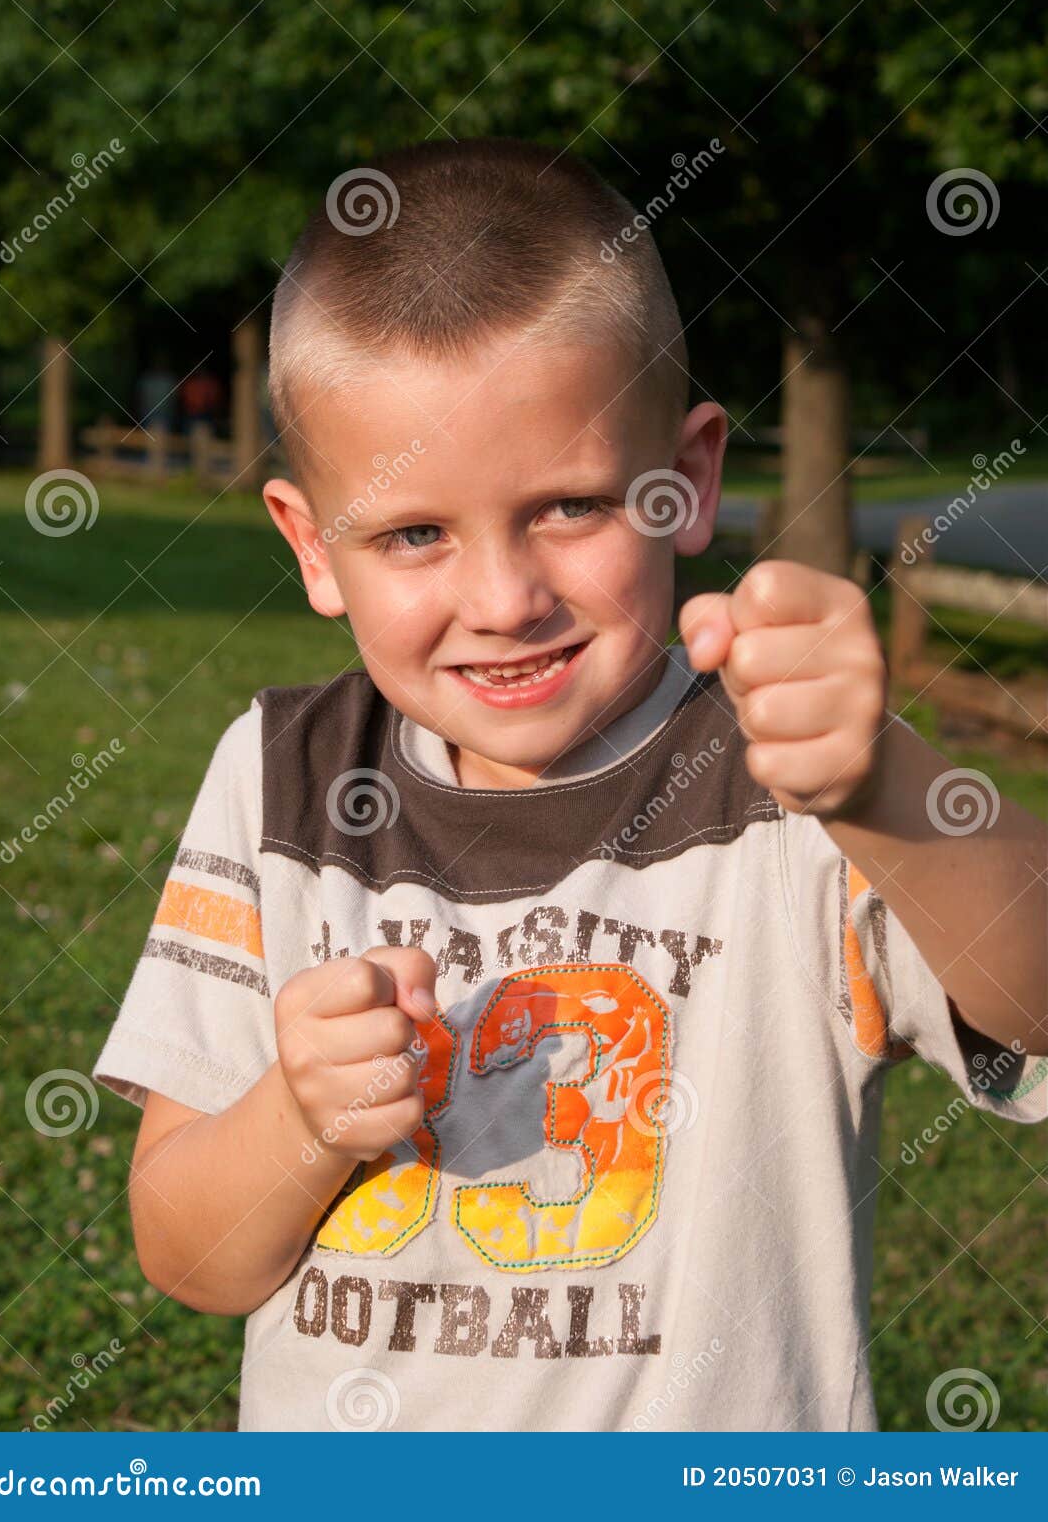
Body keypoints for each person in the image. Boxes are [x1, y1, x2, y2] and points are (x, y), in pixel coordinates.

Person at [91, 139, 1047, 1433]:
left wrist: (882, 781)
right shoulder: (279, 779)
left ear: (690, 477)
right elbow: (188, 1254)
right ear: (315, 547)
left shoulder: (786, 784)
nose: (503, 600)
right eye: (416, 531)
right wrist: (301, 1119)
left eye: (572, 506)